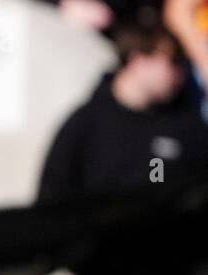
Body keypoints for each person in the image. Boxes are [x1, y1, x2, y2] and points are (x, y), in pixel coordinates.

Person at [39, 13, 208, 200]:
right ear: (138, 60)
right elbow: (51, 196)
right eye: (171, 62)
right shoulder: (86, 124)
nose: (179, 74)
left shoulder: (183, 126)